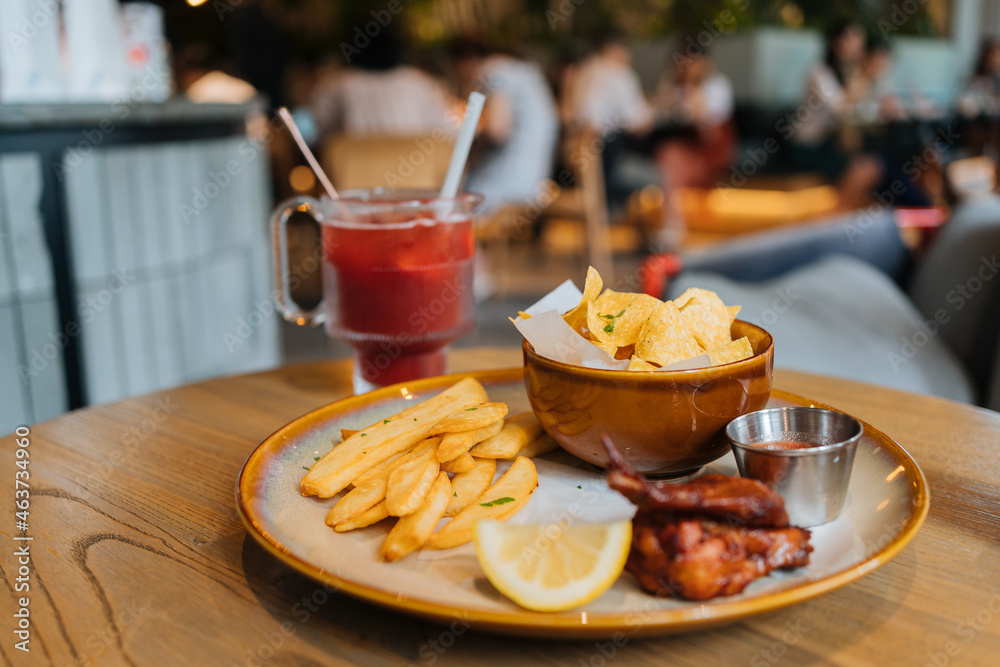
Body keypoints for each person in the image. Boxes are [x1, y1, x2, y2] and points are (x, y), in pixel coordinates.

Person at [448, 37, 558, 214]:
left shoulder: (493, 70)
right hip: (536, 181)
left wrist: (472, 143)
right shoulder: (526, 71)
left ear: (464, 63)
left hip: (505, 186)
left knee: (450, 199)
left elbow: (498, 129)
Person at [790, 20, 882, 211]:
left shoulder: (848, 73)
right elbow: (842, 110)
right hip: (808, 146)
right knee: (865, 167)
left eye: (859, 41)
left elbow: (864, 111)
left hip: (830, 143)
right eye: (852, 39)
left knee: (873, 158)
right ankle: (837, 214)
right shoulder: (820, 73)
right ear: (835, 42)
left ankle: (847, 212)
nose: (858, 46)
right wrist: (865, 77)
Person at [651, 45, 736, 245]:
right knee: (668, 155)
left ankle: (673, 224)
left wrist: (691, 103)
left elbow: (711, 133)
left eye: (692, 62)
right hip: (678, 150)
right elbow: (660, 116)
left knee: (671, 158)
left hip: (710, 153)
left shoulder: (718, 86)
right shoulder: (670, 84)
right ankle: (672, 223)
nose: (687, 68)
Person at [309, 25, 453, 140]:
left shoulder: (336, 85)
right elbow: (447, 132)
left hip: (355, 166)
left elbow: (318, 133)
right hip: (419, 167)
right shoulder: (420, 83)